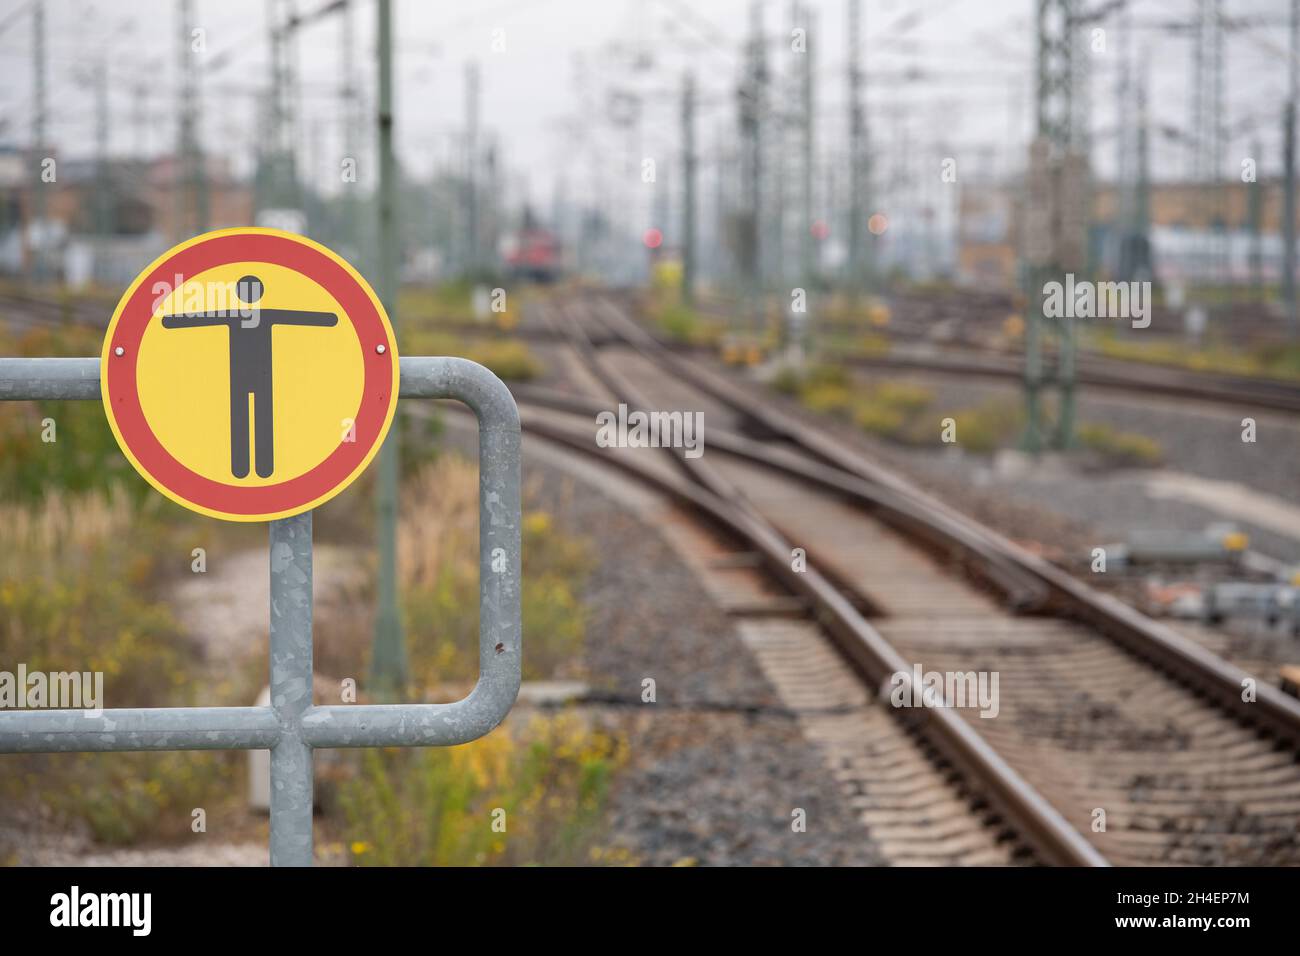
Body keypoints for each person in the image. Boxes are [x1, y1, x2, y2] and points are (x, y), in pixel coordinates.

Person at [161, 274, 338, 478]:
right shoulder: (243, 314)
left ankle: (259, 468)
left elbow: (305, 318)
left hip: (258, 376)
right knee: (245, 418)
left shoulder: (250, 314)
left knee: (258, 417)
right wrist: (169, 320)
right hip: (246, 376)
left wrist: (168, 320)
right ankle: (246, 468)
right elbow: (198, 318)